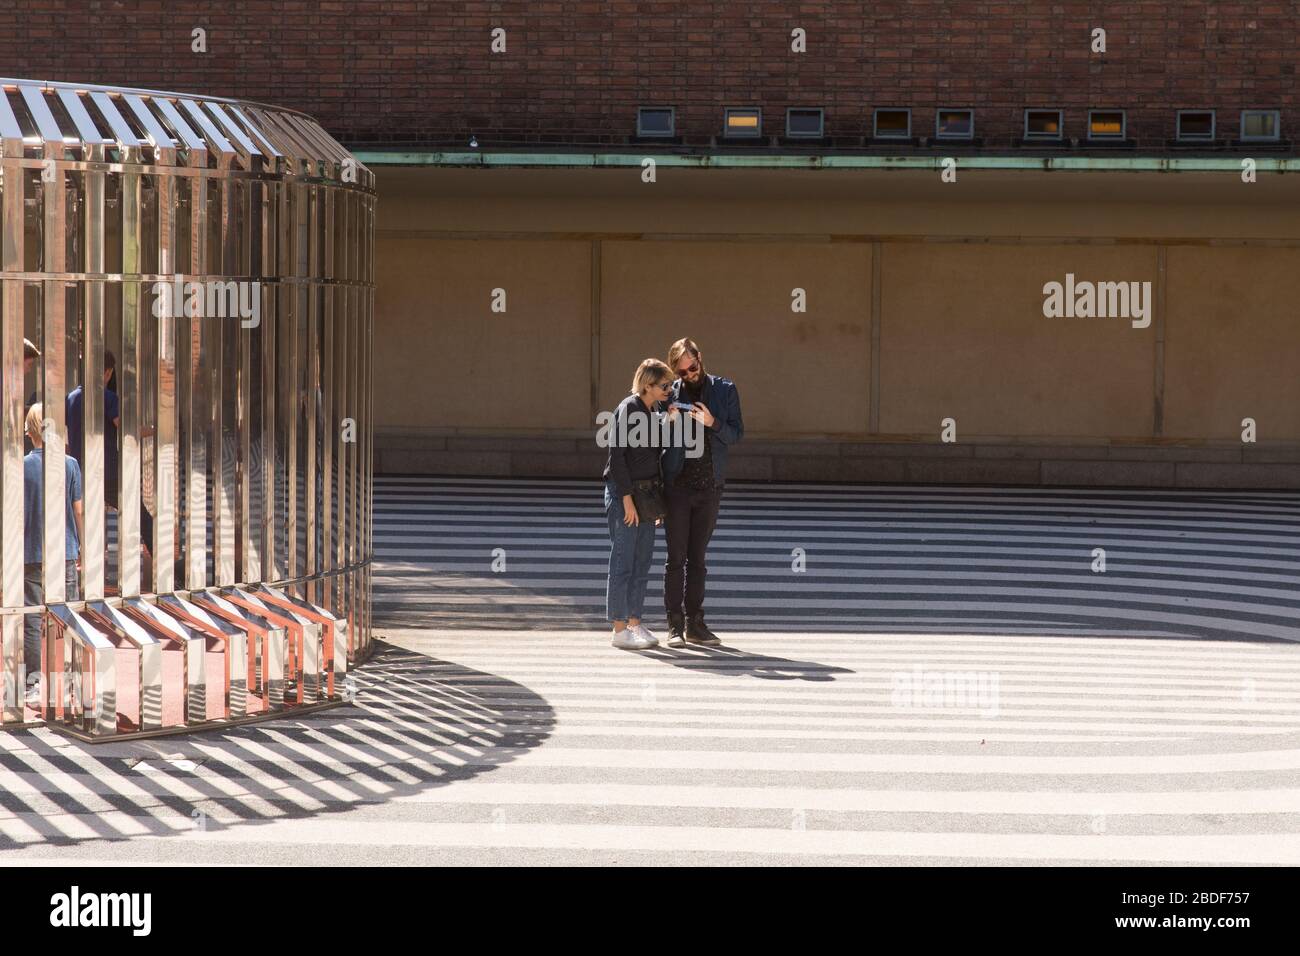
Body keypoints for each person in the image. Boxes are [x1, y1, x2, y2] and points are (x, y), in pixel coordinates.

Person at [660, 338, 743, 648]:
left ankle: (696, 622)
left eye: (692, 368)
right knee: (675, 559)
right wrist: (665, 420)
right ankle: (673, 624)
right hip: (677, 486)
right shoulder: (671, 393)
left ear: (700, 360)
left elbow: (737, 434)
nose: (689, 375)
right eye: (682, 372)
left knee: (698, 559)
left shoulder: (724, 390)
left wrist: (713, 422)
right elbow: (655, 438)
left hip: (709, 486)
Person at [602, 358, 674, 650]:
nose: (669, 389)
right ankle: (619, 629)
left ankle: (634, 621)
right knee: (624, 561)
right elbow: (617, 457)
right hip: (625, 495)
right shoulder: (629, 408)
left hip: (646, 496)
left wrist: (655, 505)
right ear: (648, 385)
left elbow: (653, 458)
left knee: (642, 561)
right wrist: (627, 499)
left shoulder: (652, 409)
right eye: (664, 385)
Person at [66, 350, 154, 583]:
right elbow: (124, 427)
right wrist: (154, 430)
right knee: (139, 514)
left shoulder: (71, 398)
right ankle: (162, 565)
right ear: (107, 372)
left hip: (79, 471)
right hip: (107, 471)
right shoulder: (107, 398)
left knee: (86, 521)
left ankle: (82, 573)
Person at [22, 404, 84, 699]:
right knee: (69, 616)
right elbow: (79, 510)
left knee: (32, 618)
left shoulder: (20, 466)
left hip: (30, 550)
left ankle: (33, 683)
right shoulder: (70, 464)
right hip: (66, 550)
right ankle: (72, 683)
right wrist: (82, 545)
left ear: (29, 430)